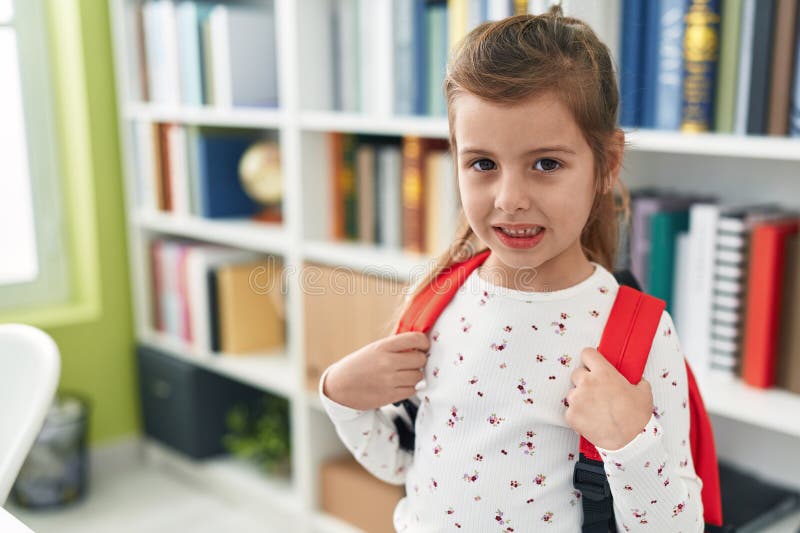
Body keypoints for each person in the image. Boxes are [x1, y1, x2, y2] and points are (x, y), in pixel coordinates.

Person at [319, 6, 704, 532]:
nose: (510, 199)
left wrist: (631, 442)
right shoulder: (438, 298)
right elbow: (402, 465)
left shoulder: (638, 333)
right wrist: (342, 397)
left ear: (606, 164)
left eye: (546, 163)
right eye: (483, 164)